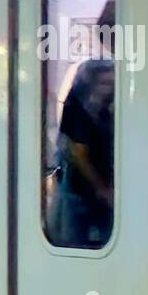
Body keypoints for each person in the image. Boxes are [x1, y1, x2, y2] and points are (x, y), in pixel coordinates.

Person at [52, 59, 115, 247]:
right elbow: (79, 153)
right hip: (79, 188)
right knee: (75, 243)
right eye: (103, 83)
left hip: (102, 186)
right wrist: (102, 188)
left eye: (111, 84)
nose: (107, 90)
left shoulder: (108, 106)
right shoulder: (78, 107)